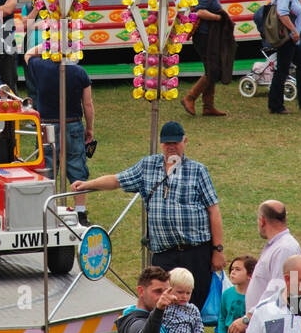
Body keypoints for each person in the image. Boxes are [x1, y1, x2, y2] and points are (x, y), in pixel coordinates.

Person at [72, 120, 224, 310]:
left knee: (194, 302)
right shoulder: (147, 166)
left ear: (185, 141)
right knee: (160, 304)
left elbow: (213, 210)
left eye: (175, 143)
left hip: (196, 252)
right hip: (163, 253)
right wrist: (87, 184)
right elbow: (117, 180)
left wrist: (218, 250)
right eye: (167, 143)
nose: (171, 147)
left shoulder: (198, 171)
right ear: (161, 144)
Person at [25, 41, 95, 223]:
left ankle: (46, 210)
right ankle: (80, 212)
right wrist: (90, 127)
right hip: (72, 124)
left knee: (46, 169)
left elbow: (28, 54)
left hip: (47, 125)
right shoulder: (80, 72)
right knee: (77, 167)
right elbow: (87, 104)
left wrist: (45, 45)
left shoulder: (40, 66)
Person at [182, 0, 232, 117]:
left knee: (211, 69)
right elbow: (200, 12)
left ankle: (208, 106)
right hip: (204, 36)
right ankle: (190, 97)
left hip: (208, 36)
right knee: (213, 69)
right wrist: (218, 17)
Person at [162, 267, 204, 333]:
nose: (184, 296)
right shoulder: (165, 306)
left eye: (188, 293)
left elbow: (199, 327)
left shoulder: (192, 309)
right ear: (169, 290)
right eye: (180, 292)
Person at [219, 255, 255, 333]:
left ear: (250, 274)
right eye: (232, 269)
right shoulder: (227, 294)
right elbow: (222, 319)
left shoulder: (256, 296)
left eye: (238, 269)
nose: (233, 272)